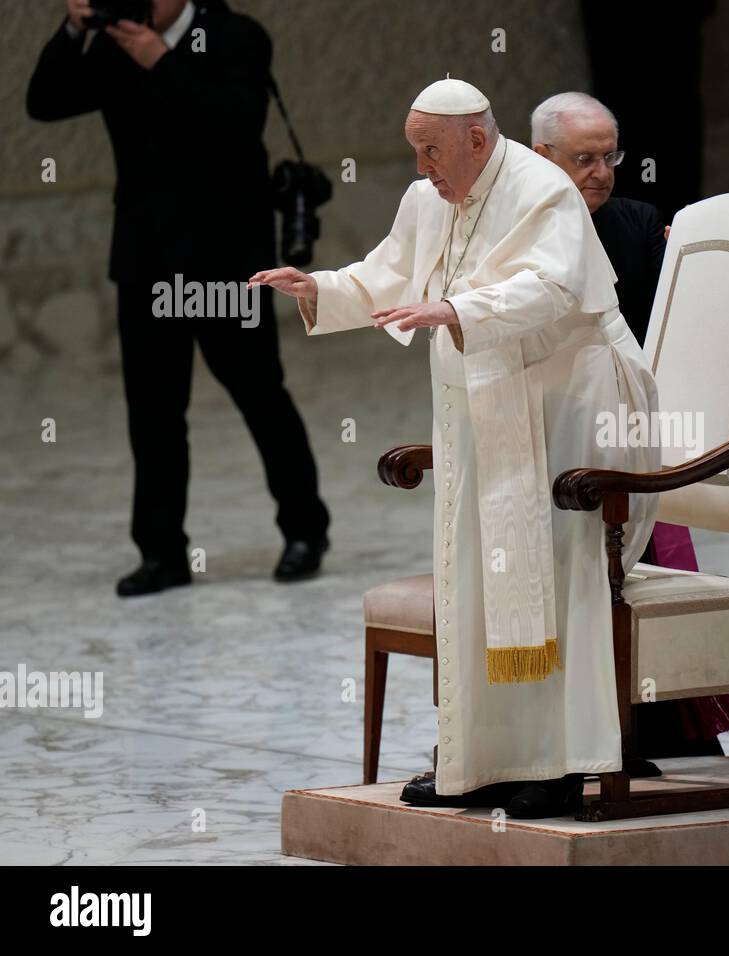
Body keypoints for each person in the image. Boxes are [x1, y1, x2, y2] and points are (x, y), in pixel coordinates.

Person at [251, 78, 659, 819]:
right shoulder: (428, 198)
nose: (421, 167)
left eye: (430, 150)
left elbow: (551, 291)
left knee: (557, 573)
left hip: (572, 398)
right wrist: (314, 287)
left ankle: (562, 765)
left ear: (477, 139)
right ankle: (484, 763)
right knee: (474, 571)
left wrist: (456, 307)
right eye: (414, 152)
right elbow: (387, 273)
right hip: (486, 398)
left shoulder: (543, 190)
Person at [26, 0, 331, 596]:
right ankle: (162, 553)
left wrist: (161, 62)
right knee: (153, 412)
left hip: (225, 265)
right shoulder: (112, 43)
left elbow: (237, 124)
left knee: (258, 393)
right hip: (146, 261)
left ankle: (304, 531)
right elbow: (45, 102)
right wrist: (72, 28)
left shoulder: (234, 34)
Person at [532, 91, 729, 771]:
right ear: (542, 159)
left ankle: (643, 733)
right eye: (584, 159)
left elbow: (672, 331)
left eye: (610, 157)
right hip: (541, 429)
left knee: (640, 567)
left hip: (622, 429)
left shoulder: (637, 223)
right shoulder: (513, 228)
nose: (602, 171)